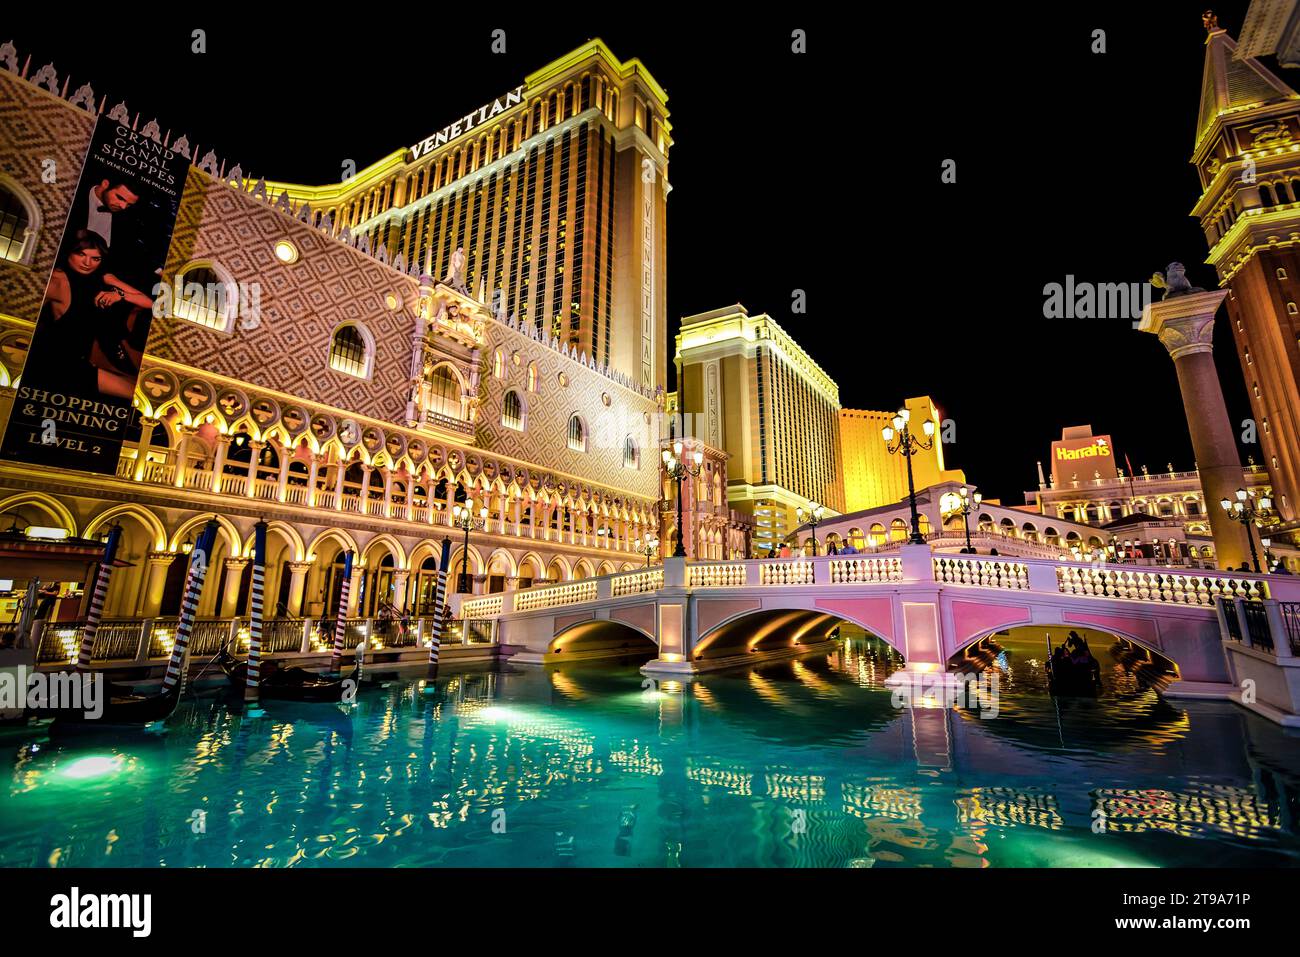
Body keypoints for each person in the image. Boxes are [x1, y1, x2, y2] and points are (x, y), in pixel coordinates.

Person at [26, 230, 154, 399]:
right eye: (81, 254)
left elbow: (148, 302)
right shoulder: (56, 279)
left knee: (140, 390)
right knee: (138, 395)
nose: (87, 263)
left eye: (95, 258)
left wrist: (120, 295)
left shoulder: (104, 277)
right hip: (55, 362)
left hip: (80, 361)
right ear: (69, 253)